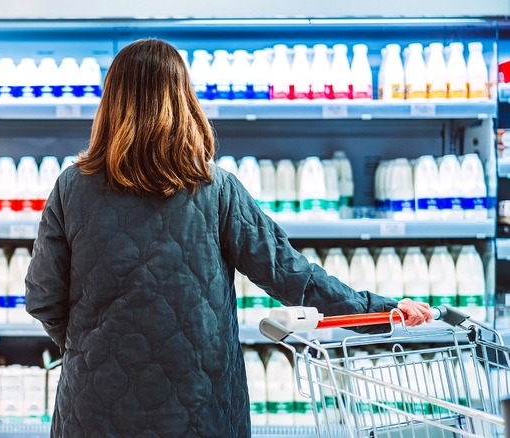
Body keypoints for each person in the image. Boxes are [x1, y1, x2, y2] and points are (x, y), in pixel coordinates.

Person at [25, 38, 433, 437]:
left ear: (111, 105)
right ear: (184, 102)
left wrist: (89, 346)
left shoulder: (71, 187)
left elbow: (42, 297)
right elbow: (292, 276)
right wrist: (383, 311)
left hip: (93, 409)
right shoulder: (215, 188)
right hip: (202, 407)